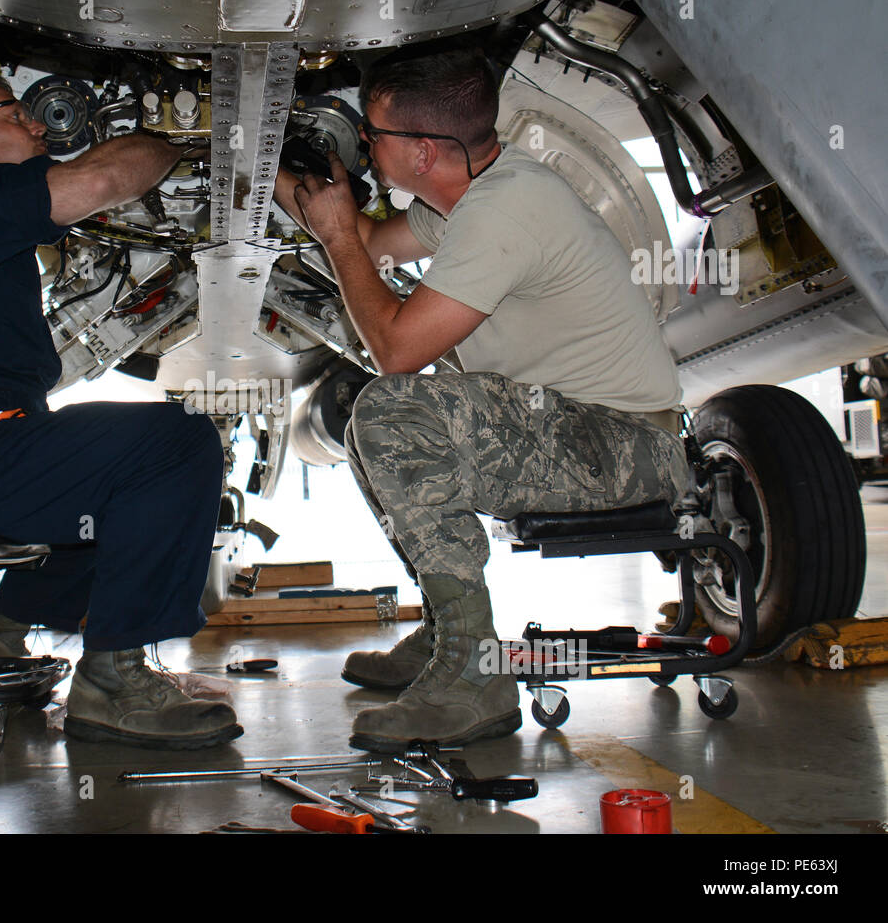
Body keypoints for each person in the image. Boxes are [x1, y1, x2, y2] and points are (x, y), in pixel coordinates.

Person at [274, 49, 691, 753]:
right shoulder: (472, 194)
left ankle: (473, 672)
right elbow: (375, 245)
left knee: (387, 410)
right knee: (367, 425)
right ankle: (448, 628)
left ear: (424, 151)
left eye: (375, 136)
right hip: (568, 426)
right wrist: (300, 191)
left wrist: (340, 233)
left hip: (623, 448)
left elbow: (398, 350)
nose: (370, 148)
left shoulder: (509, 210)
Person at [0, 75, 241, 750]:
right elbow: (104, 179)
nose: (38, 127)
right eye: (17, 115)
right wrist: (174, 142)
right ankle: (113, 685)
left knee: (108, 486)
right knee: (177, 442)